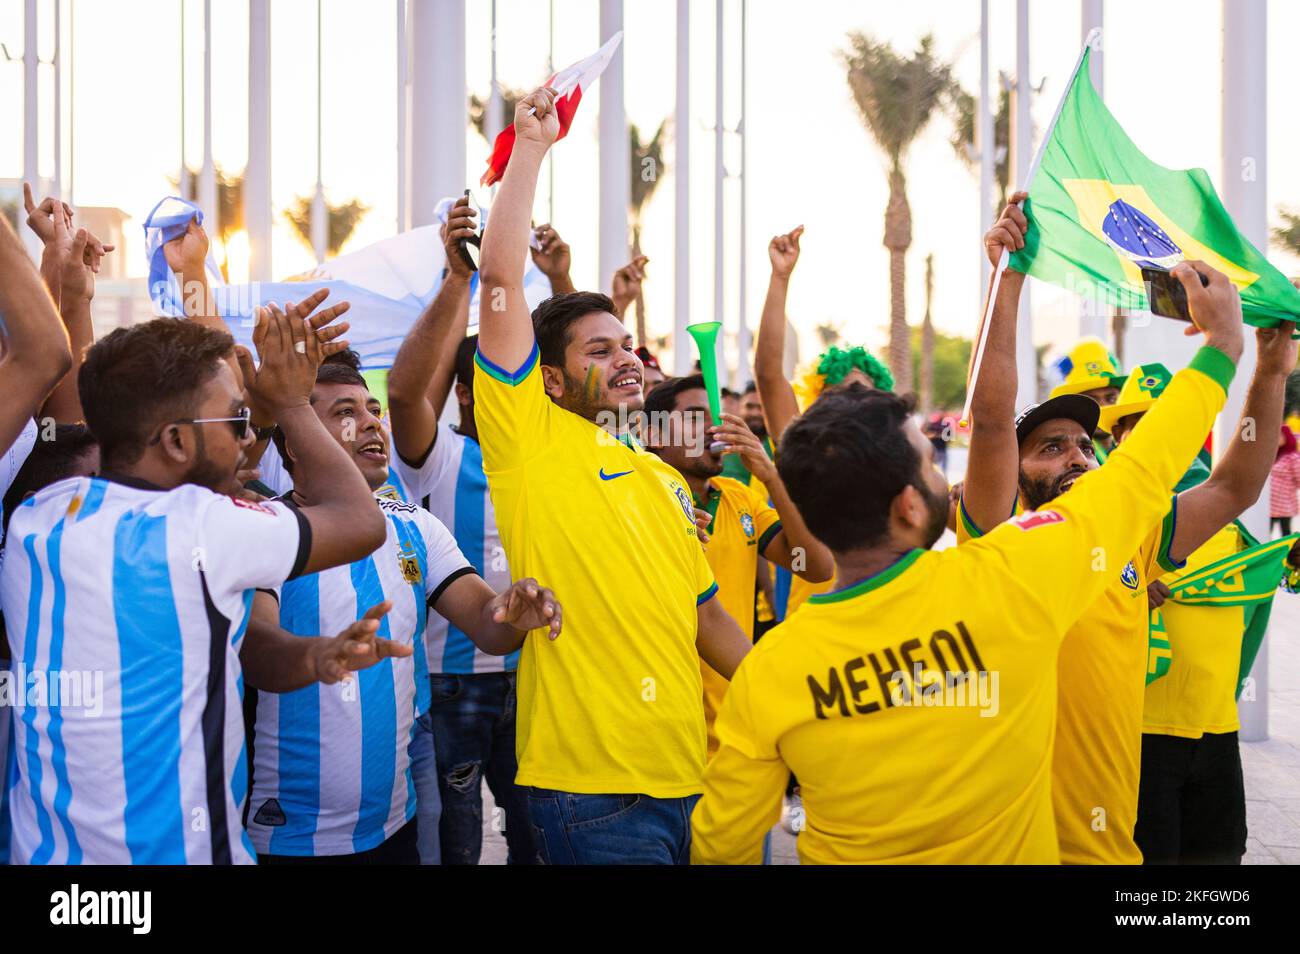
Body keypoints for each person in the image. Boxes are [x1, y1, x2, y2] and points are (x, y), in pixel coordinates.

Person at [692, 272, 1242, 862]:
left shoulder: (769, 672)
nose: (942, 480)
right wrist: (1222, 348)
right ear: (908, 507)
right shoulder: (1013, 576)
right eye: (931, 465)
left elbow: (720, 844)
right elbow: (1141, 471)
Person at [959, 194, 1295, 865]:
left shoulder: (1130, 530)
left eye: (1085, 444)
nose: (1077, 456)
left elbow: (1233, 487)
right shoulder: (997, 539)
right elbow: (992, 423)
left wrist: (1270, 371)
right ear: (1014, 471)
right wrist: (1010, 280)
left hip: (1112, 850)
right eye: (1050, 447)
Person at [0, 304, 395, 865]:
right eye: (238, 422)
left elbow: (206, 639)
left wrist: (311, 654)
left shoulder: (37, 516)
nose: (249, 438)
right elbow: (362, 522)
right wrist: (287, 403)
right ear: (177, 443)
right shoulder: (202, 527)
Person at [474, 85, 751, 865]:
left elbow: (707, 621)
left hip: (693, 782)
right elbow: (498, 279)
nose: (626, 358)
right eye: (598, 351)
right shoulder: (527, 438)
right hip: (591, 797)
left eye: (626, 344)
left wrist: (793, 699)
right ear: (549, 382)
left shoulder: (660, 477)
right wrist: (531, 150)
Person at [247, 347, 562, 865]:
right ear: (294, 444)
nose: (372, 423)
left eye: (372, 409)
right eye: (345, 413)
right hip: (285, 833)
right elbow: (255, 649)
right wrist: (315, 657)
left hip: (396, 824)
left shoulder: (414, 525)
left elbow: (489, 626)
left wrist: (514, 613)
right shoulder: (266, 527)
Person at [384, 195, 543, 865]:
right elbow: (401, 395)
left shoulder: (544, 458)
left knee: (537, 839)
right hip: (450, 688)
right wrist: (460, 279)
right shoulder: (443, 454)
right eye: (475, 385)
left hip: (536, 674)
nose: (489, 396)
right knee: (456, 839)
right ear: (461, 394)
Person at [1096, 360, 1300, 866]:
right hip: (1135, 732)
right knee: (1145, 862)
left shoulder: (1227, 525)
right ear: (1119, 437)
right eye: (1137, 425)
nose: (1154, 438)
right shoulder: (1098, 516)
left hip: (1215, 730)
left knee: (1218, 860)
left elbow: (1255, 607)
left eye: (1167, 424)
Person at [642, 374, 833, 756]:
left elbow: (816, 566)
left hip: (734, 733)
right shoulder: (636, 497)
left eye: (717, 417)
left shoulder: (739, 497)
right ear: (655, 434)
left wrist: (770, 474)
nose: (713, 427)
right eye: (696, 416)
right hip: (661, 737)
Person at [753, 226, 894, 624]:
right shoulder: (806, 450)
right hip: (809, 629)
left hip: (883, 629)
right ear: (817, 402)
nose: (849, 400)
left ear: (880, 399)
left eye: (860, 390)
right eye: (834, 394)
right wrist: (780, 278)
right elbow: (768, 374)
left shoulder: (902, 458)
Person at [1269, 424, 1300, 537]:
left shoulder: (1292, 457)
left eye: (1280, 436)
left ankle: (1288, 554)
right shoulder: (1273, 455)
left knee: (1285, 533)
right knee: (1265, 532)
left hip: (1285, 504)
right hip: (1270, 504)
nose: (1278, 439)